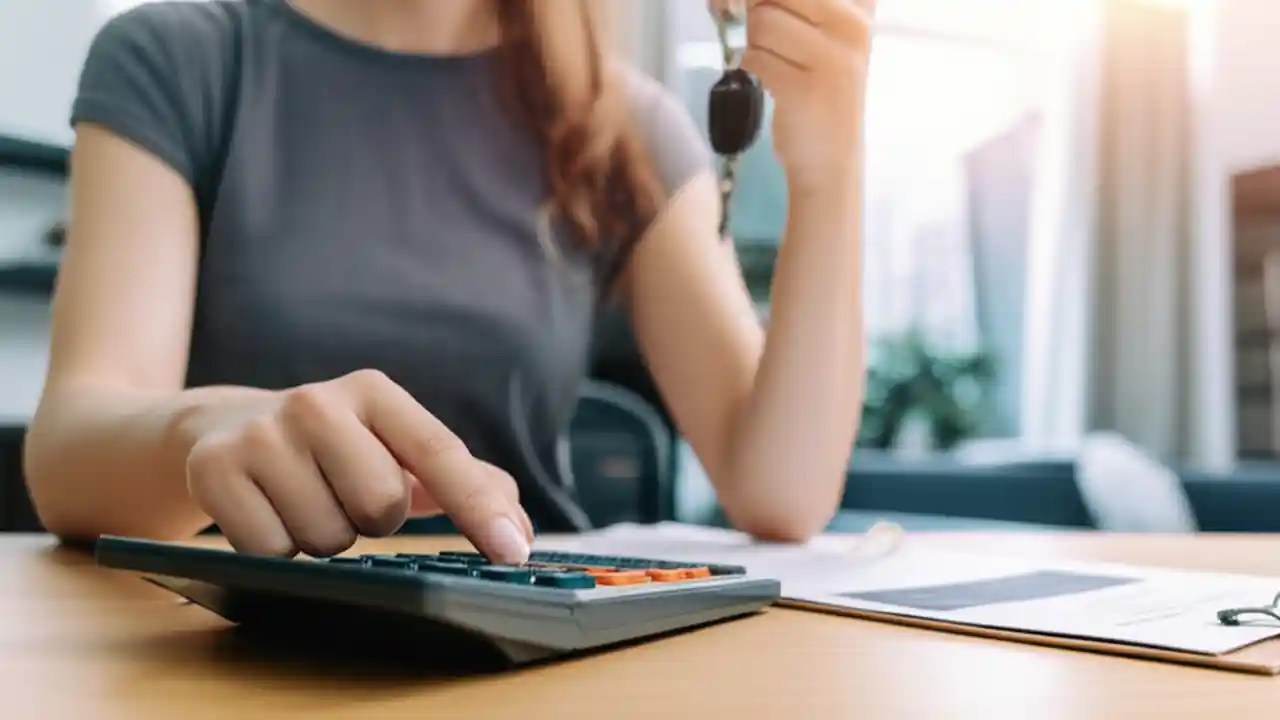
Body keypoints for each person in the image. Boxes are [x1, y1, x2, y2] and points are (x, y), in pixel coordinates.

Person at [23, 0, 874, 565]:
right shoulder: (182, 56)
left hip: (543, 643)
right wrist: (205, 429)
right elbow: (69, 455)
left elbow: (780, 490)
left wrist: (829, 170)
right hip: (232, 637)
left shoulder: (625, 123)